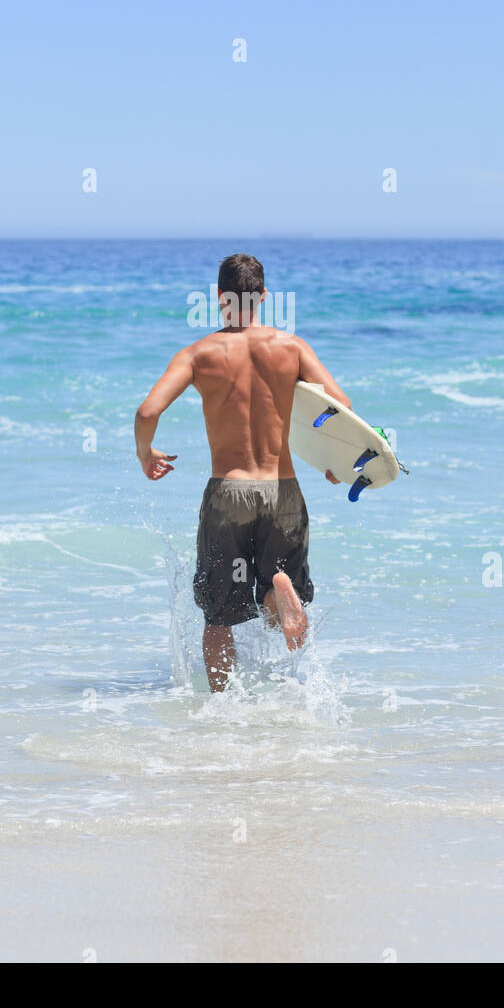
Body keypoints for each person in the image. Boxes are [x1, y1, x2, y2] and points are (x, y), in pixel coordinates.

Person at [134, 253, 351, 691]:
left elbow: (147, 411)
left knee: (219, 617)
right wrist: (336, 463)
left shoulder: (199, 355)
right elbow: (340, 408)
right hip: (282, 489)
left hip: (228, 494)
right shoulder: (291, 347)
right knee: (274, 592)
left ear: (219, 298)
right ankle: (277, 591)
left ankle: (221, 709)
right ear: (264, 296)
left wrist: (145, 453)